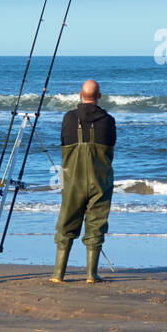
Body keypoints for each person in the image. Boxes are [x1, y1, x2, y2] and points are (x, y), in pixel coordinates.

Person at [52, 79, 116, 283]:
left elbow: (63, 142)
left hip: (72, 181)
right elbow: (111, 147)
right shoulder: (109, 120)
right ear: (99, 96)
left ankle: (58, 274)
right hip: (100, 180)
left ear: (80, 95)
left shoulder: (68, 117)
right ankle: (91, 274)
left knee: (66, 223)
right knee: (96, 223)